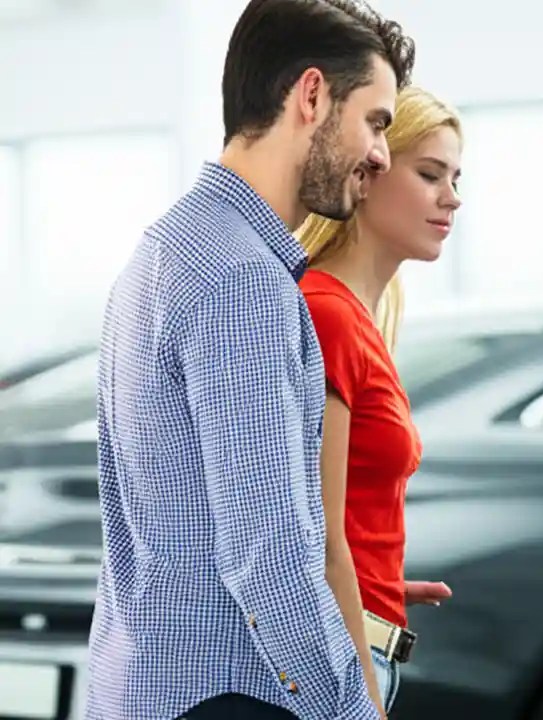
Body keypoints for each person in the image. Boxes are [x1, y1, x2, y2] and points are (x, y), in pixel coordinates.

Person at [87, 1, 414, 718]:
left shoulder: (165, 249)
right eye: (377, 122)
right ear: (311, 95)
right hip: (229, 696)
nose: (382, 155)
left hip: (150, 685)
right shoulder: (243, 281)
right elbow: (268, 556)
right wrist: (352, 710)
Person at [294, 85, 464, 715]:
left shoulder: (362, 319)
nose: (452, 198)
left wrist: (382, 582)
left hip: (373, 638)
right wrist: (360, 697)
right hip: (344, 659)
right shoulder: (327, 313)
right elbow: (317, 534)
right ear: (367, 172)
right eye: (429, 174)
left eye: (454, 177)